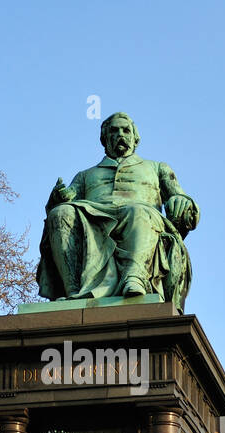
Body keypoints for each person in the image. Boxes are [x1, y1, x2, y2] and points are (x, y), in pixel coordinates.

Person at [36, 112, 200, 310]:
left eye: (126, 130)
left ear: (135, 138)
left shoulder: (157, 168)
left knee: (138, 212)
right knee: (60, 213)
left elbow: (183, 200)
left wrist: (182, 202)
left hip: (140, 215)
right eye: (114, 131)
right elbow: (66, 199)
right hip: (93, 213)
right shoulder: (85, 175)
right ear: (105, 139)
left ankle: (135, 278)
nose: (120, 134)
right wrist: (58, 197)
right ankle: (74, 291)